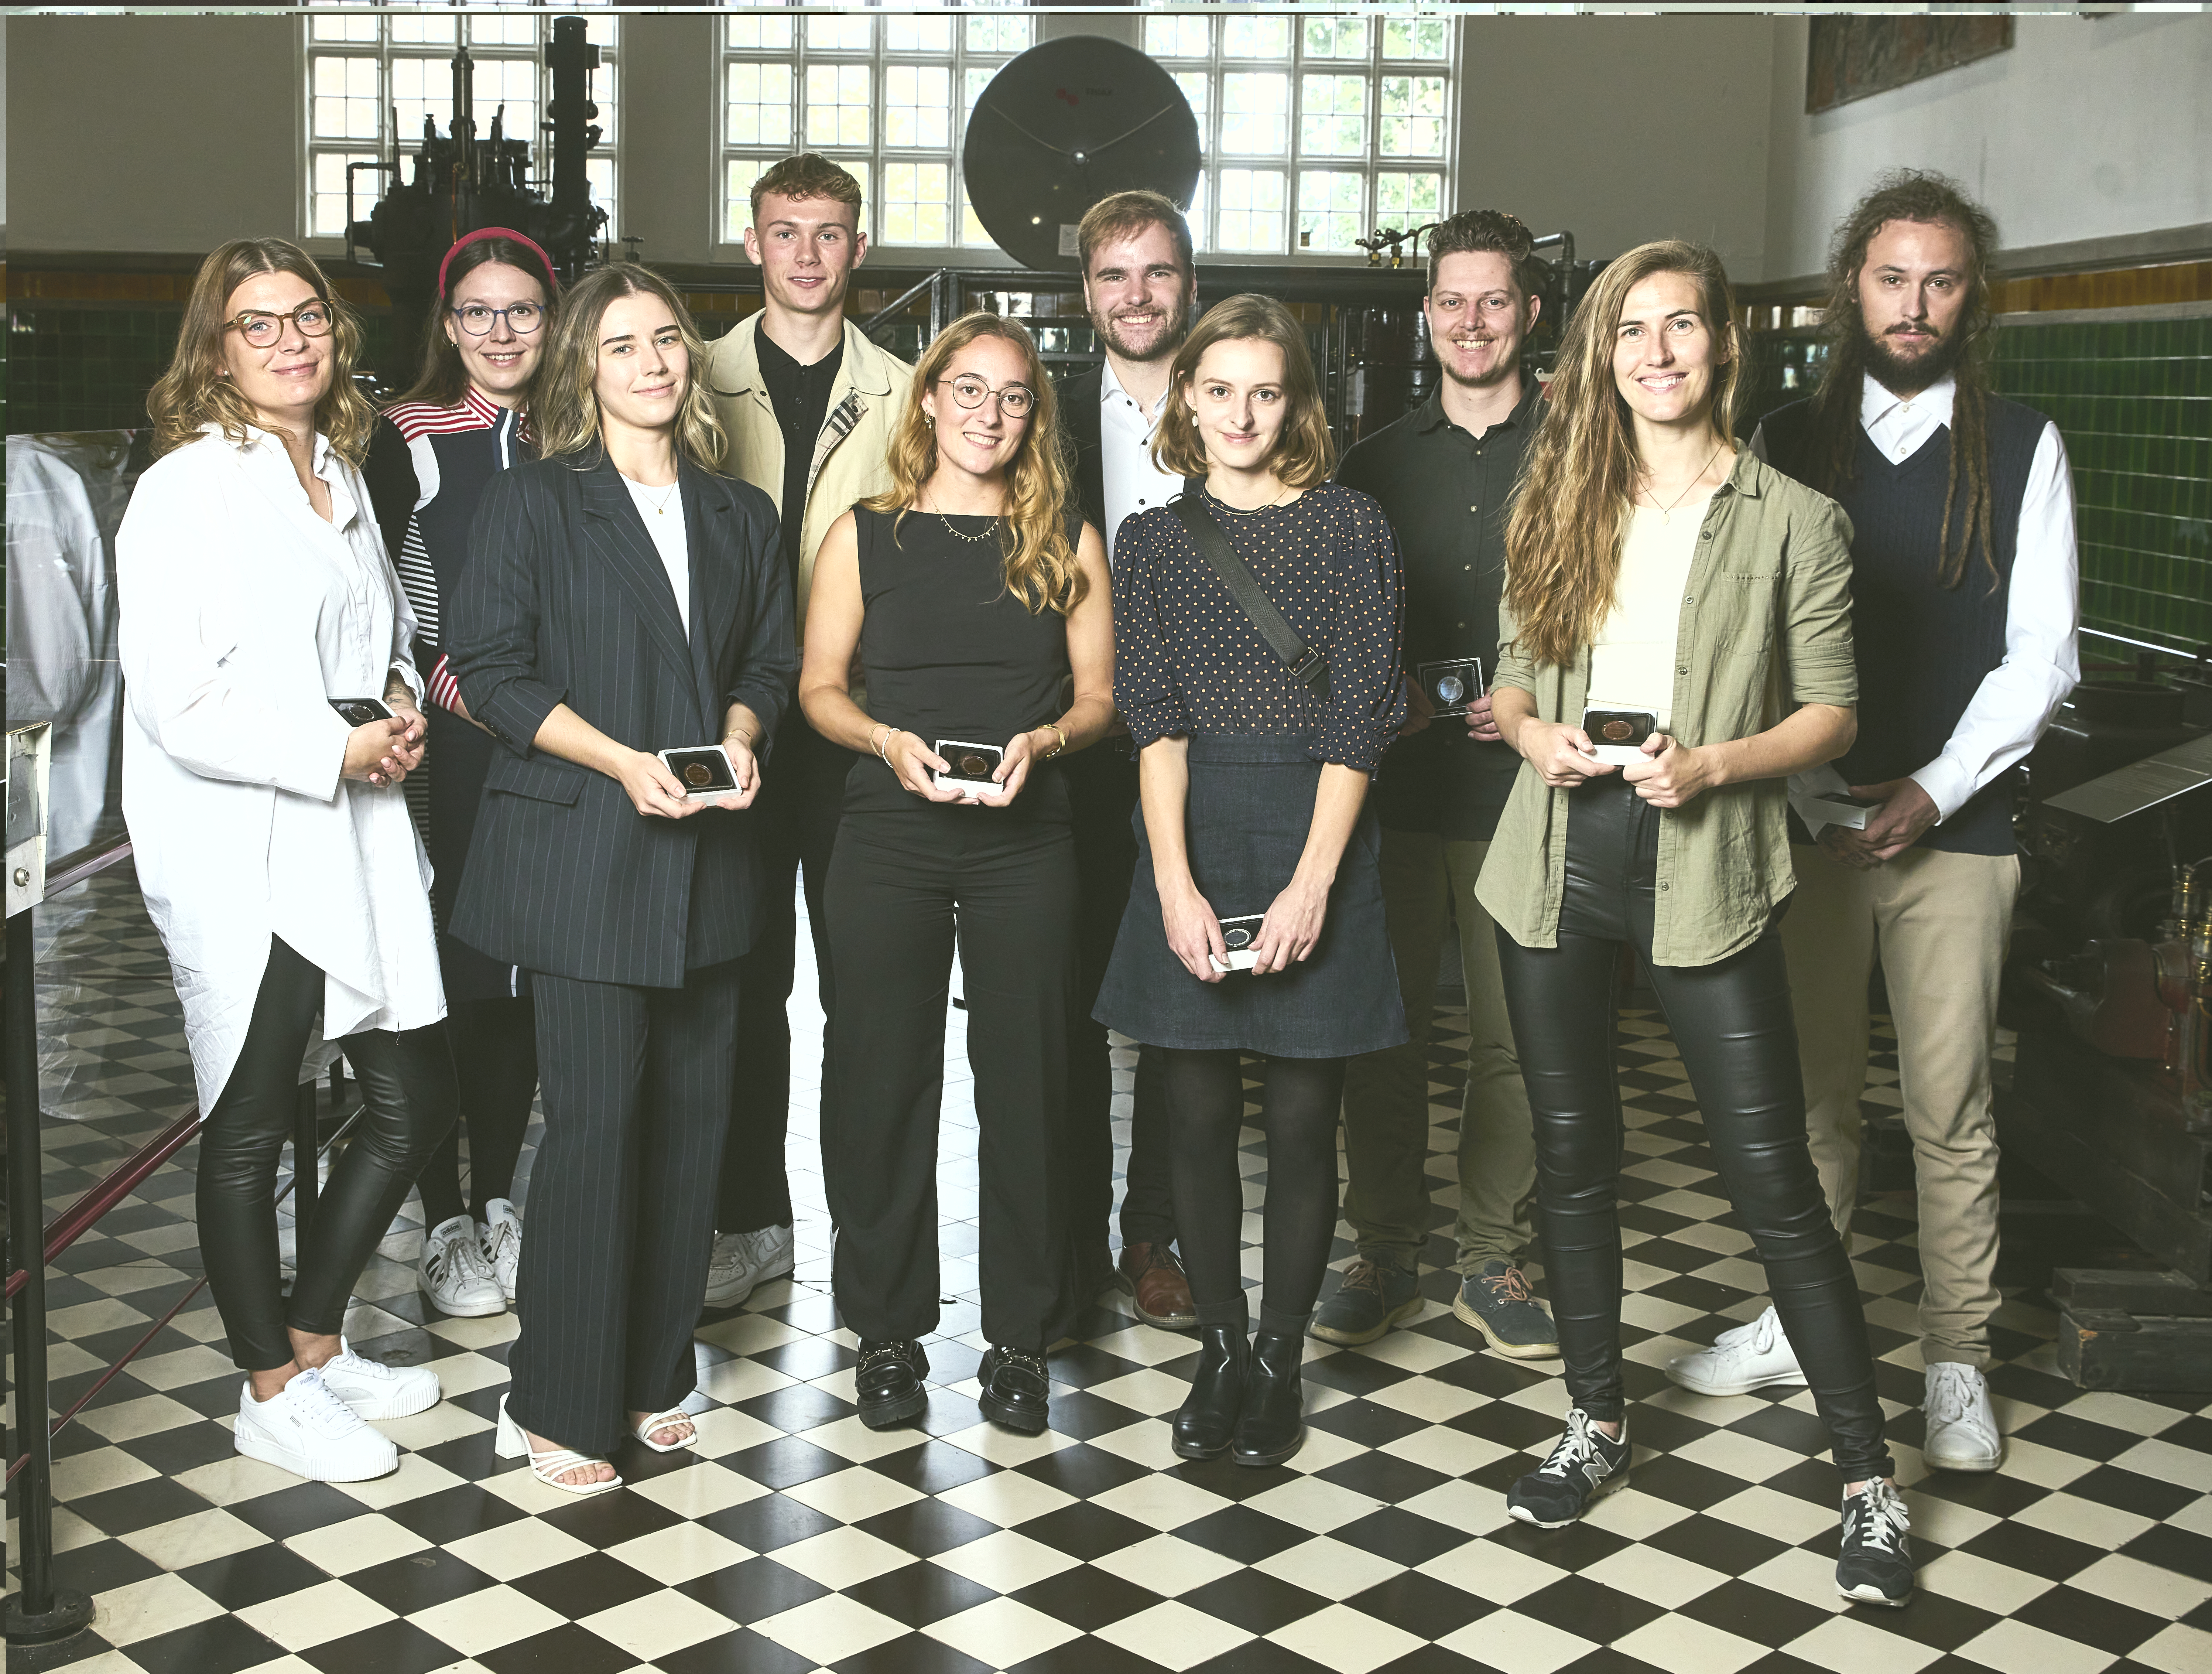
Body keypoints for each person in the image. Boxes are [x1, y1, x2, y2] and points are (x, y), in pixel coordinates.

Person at [1475, 240, 1913, 1608]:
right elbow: (1513, 672)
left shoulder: (1795, 519)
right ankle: (1596, 1416)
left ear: (1723, 343)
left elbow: (1833, 710)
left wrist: (1715, 764)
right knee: (1573, 1157)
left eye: (1680, 326)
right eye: (1630, 330)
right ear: (1603, 355)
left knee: (1774, 1179)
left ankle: (1869, 1481)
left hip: (1706, 856)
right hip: (1556, 856)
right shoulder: (1559, 493)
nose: (1655, 351)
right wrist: (1535, 734)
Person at [1668, 171, 2079, 1475]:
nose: (1914, 304)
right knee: (1812, 1101)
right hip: (1806, 822)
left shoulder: (2023, 444)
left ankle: (1957, 1357)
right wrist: (1809, 792)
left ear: (1972, 296)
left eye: (1940, 281)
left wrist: (1933, 788)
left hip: (1960, 829)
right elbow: (1746, 639)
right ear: (1853, 285)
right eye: (1892, 278)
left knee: (1950, 1106)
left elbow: (2043, 655)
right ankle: (1803, 1322)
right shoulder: (1783, 438)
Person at [446, 263, 796, 1493]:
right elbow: (489, 670)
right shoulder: (537, 501)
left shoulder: (741, 513)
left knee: (694, 1124)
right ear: (582, 369)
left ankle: (654, 1371)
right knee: (597, 1126)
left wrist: (740, 739)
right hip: (585, 852)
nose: (651, 361)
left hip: (712, 856)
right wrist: (620, 762)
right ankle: (552, 1394)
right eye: (621, 344)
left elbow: (768, 661)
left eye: (666, 339)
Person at [117, 238, 457, 1483]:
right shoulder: (187, 489)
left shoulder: (342, 472)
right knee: (253, 1121)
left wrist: (399, 704)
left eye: (306, 316)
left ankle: (316, 1342)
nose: (290, 341)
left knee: (411, 1101)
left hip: (356, 830)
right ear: (216, 350)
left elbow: (385, 633)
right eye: (256, 324)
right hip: (251, 841)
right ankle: (268, 1387)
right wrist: (334, 747)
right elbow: (177, 701)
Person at [1095, 294, 1408, 1469]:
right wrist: (1173, 882)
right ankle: (1219, 1347)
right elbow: (1155, 730)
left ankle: (1278, 1355)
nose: (1241, 414)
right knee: (1191, 1110)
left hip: (1316, 826)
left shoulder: (1351, 528)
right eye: (1219, 390)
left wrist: (1314, 883)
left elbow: (1360, 722)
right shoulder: (1151, 542)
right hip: (1196, 829)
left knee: (1303, 1115)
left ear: (1297, 403)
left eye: (1265, 392)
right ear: (1188, 398)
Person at [801, 312, 1113, 1436]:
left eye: (1014, 395)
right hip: (888, 835)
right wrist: (885, 740)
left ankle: (1021, 1336)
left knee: (1030, 1083)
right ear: (928, 399)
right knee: (877, 1079)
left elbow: (1100, 698)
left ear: (1035, 415)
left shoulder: (1066, 537)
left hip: (1028, 841)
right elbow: (819, 689)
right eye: (969, 390)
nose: (990, 413)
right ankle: (887, 1332)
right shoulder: (864, 535)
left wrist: (1047, 742)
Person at [1320, 209, 1556, 1359]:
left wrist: (1535, 698)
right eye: (1452, 301)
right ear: (1425, 316)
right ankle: (1383, 1245)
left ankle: (1492, 1252)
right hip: (1397, 790)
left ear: (1530, 312)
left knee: (1516, 1036)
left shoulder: (1581, 451)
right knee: (1387, 1029)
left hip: (1528, 794)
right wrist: (1390, 691)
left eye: (1493, 300)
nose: (1472, 322)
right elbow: (1329, 624)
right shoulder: (1372, 464)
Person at [699, 154, 915, 1311]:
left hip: (852, 730)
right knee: (739, 986)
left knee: (867, 994)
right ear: (753, 243)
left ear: (858, 247)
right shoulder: (691, 375)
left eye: (829, 233)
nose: (807, 254)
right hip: (730, 723)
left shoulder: (906, 390)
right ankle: (751, 1222)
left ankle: (871, 1237)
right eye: (786, 231)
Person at [362, 229, 560, 1321]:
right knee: (434, 978)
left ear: (551, 318)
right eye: (479, 312)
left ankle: (497, 1202)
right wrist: (468, 702)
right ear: (449, 323)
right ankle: (443, 1219)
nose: (501, 331)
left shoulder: (577, 427)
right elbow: (387, 602)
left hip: (555, 743)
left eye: (521, 309)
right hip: (449, 742)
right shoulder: (407, 434)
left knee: (510, 986)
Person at [1055, 189, 1201, 1331]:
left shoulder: (1238, 397)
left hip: (1210, 750)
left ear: (1188, 284)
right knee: (1062, 1001)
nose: (1136, 294)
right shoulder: (1042, 410)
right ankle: (1068, 1243)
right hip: (1079, 749)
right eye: (1115, 274)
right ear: (1086, 293)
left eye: (1156, 271)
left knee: (1180, 1009)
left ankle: (1156, 1235)